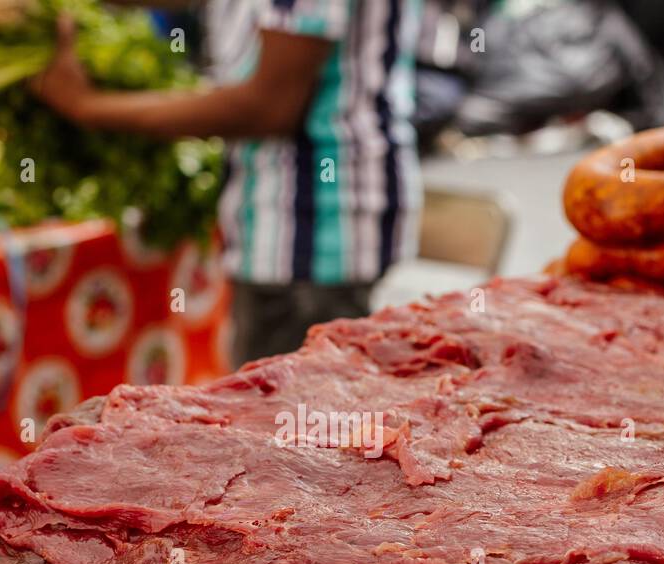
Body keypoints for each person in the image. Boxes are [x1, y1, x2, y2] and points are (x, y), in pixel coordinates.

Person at [31, 3, 422, 366]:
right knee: (276, 410)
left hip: (312, 228)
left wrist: (86, 106)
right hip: (282, 223)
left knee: (288, 423)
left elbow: (269, 106)